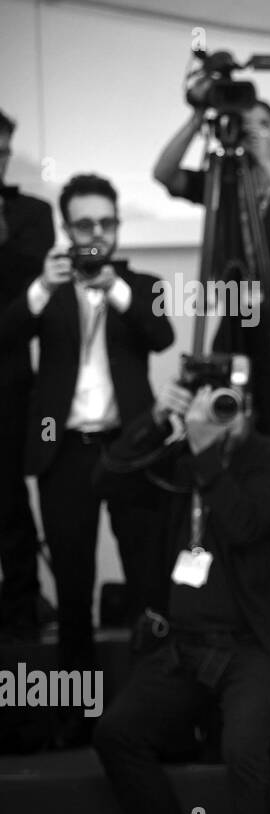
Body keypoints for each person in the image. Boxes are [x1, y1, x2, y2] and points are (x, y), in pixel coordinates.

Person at [91, 373, 270, 814]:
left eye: (232, 405)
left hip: (256, 646)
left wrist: (205, 451)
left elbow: (245, 525)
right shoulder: (178, 459)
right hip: (183, 644)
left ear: (251, 410)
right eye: (213, 404)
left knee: (243, 752)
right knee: (115, 732)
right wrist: (156, 421)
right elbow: (106, 479)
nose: (224, 415)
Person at [0, 174, 175, 675]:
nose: (96, 233)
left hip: (131, 448)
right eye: (84, 224)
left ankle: (151, 707)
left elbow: (161, 333)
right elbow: (6, 336)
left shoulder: (143, 286)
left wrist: (115, 288)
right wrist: (39, 288)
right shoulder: (47, 287)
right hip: (65, 451)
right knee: (73, 589)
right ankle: (77, 714)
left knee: (147, 579)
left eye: (106, 222)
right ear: (65, 228)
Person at [153, 98, 270, 436]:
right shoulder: (221, 183)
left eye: (264, 125)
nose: (254, 132)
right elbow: (164, 174)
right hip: (235, 315)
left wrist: (266, 164)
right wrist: (197, 118)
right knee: (223, 407)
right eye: (247, 125)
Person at [0, 108, 54, 641]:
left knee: (11, 503)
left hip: (10, 383)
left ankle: (20, 616)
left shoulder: (31, 213)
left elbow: (24, 278)